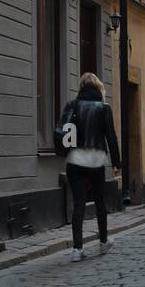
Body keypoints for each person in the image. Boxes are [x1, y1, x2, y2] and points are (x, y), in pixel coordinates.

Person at [60, 73, 121, 262]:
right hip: (95, 159)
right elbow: (111, 136)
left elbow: (64, 131)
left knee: (78, 203)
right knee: (99, 201)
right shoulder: (103, 108)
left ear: (81, 87)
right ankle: (103, 242)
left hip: (75, 159)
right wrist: (117, 163)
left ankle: (77, 249)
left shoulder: (72, 105)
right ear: (98, 87)